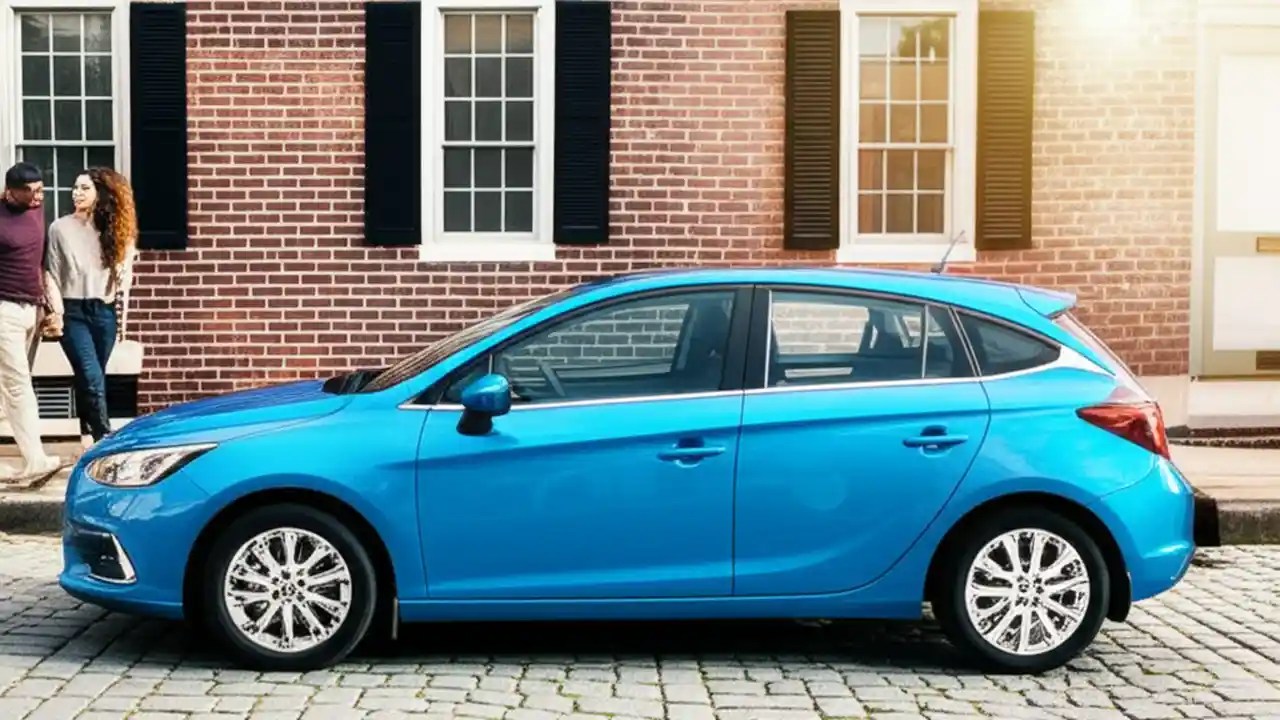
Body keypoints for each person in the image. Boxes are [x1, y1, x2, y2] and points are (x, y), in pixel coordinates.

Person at [43, 167, 137, 446]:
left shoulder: (116, 230)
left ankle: (87, 437)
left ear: (101, 193)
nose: (77, 193)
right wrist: (56, 311)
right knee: (91, 376)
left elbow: (125, 278)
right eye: (75, 187)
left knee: (92, 377)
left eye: (84, 188)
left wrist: (122, 322)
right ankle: (106, 439)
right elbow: (51, 272)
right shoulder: (59, 228)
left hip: (103, 312)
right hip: (72, 313)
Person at [0, 162, 64, 480]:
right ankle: (36, 460)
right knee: (18, 385)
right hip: (4, 311)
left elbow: (38, 262)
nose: (40, 195)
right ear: (12, 191)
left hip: (30, 310)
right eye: (33, 191)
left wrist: (49, 306)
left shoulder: (37, 208)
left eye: (41, 189)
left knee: (7, 387)